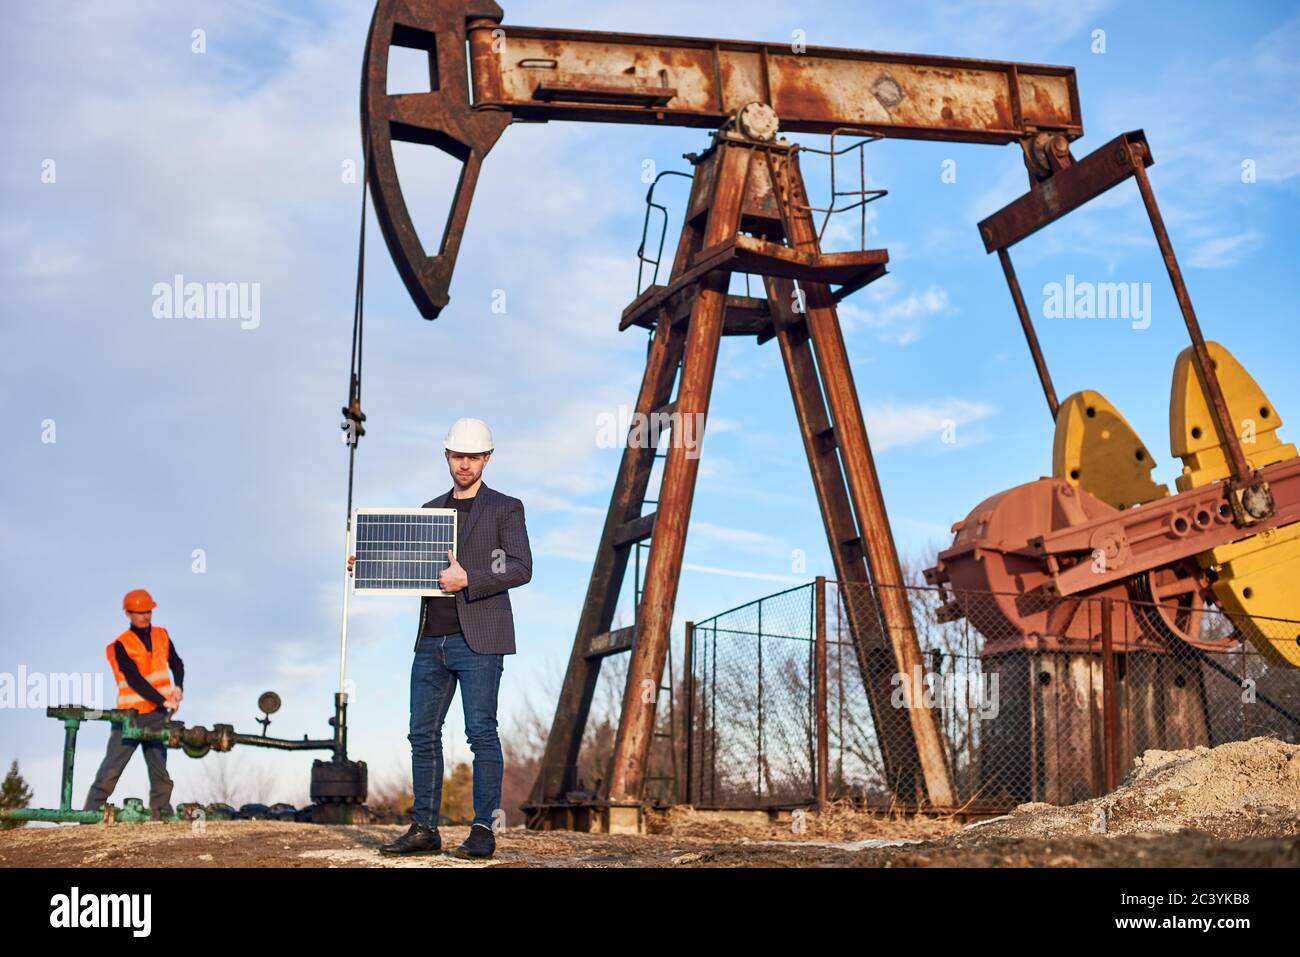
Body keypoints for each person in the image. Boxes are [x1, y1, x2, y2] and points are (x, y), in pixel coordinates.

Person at [351, 418, 532, 859]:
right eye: (457, 456)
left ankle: (483, 831)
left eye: (473, 457)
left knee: (481, 733)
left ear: (487, 459)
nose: (464, 464)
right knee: (422, 734)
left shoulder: (505, 508)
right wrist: (370, 564)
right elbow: (409, 565)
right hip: (432, 640)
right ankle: (424, 828)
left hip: (480, 640)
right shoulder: (430, 510)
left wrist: (470, 578)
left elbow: (521, 567)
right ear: (447, 456)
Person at [84, 588, 184, 819]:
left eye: (148, 611)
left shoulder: (161, 635)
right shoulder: (121, 644)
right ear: (128, 613)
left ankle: (162, 815)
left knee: (159, 769)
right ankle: (88, 817)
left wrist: (178, 687)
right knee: (111, 769)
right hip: (128, 717)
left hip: (157, 715)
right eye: (140, 612)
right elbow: (134, 679)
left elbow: (176, 663)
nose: (146, 616)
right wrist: (164, 700)